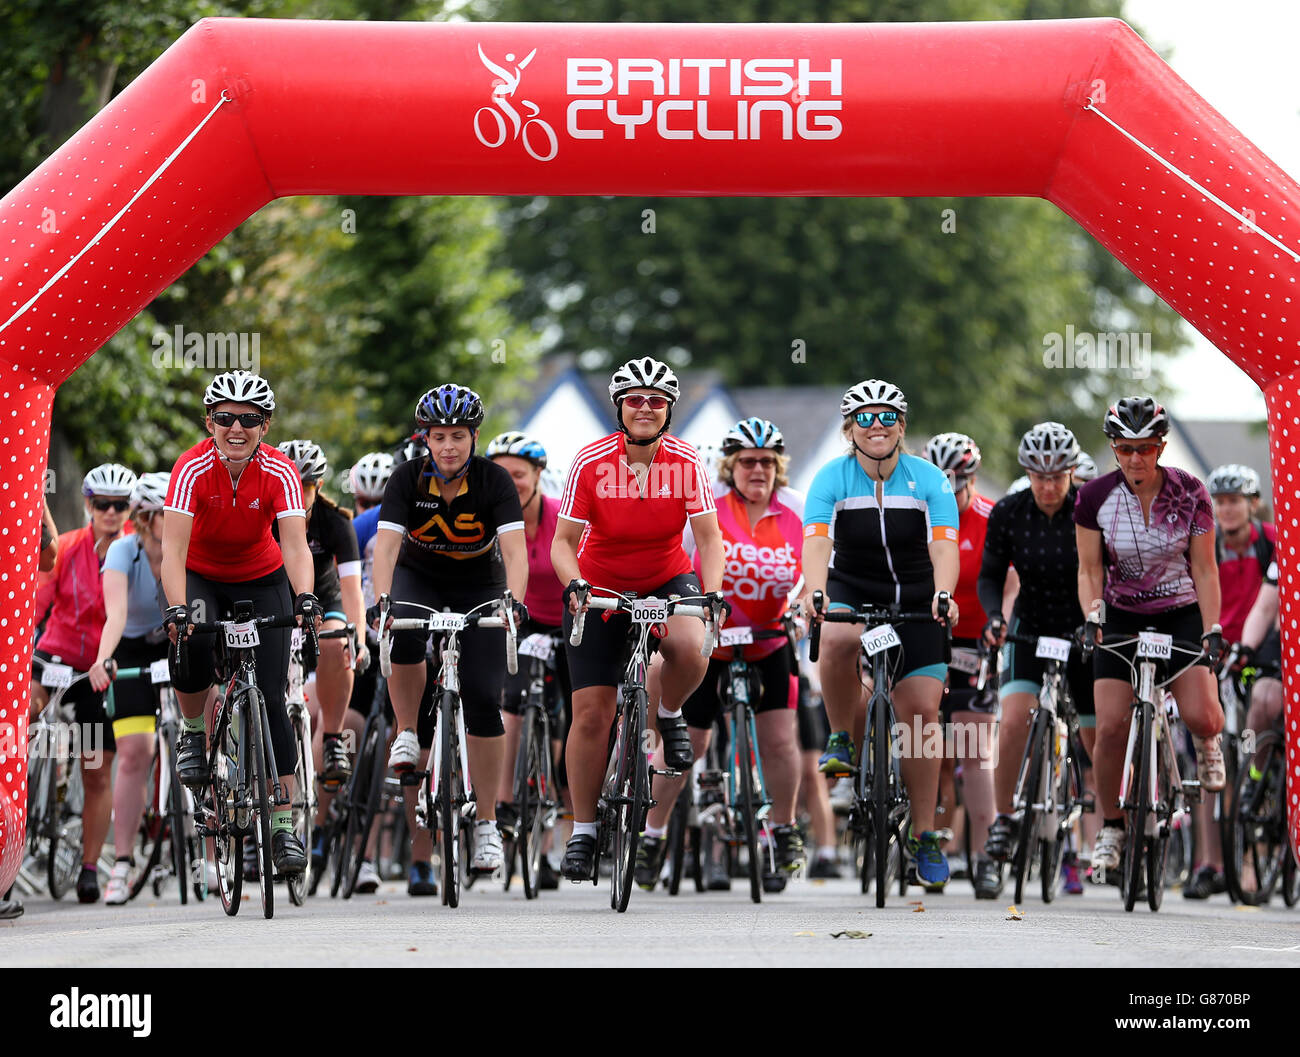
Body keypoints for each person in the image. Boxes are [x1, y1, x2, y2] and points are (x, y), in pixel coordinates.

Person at [552, 357, 724, 881]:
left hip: (666, 576)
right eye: (635, 400)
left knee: (694, 646)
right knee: (591, 716)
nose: (645, 408)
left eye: (656, 401)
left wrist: (712, 593)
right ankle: (583, 832)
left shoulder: (685, 460)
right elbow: (563, 543)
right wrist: (576, 585)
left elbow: (710, 538)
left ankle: (669, 711)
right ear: (619, 408)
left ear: (669, 410)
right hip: (600, 583)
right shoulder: (592, 462)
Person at [801, 380, 959, 888]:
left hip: (917, 595)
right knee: (840, 637)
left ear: (902, 427)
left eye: (887, 417)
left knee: (922, 715)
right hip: (852, 584)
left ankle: (925, 834)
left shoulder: (929, 479)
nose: (876, 425)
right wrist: (815, 591)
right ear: (849, 429)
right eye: (864, 417)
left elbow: (944, 546)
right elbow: (818, 543)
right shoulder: (833, 477)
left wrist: (944, 592)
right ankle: (843, 736)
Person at [635, 417, 806, 888]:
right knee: (689, 745)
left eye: (768, 463)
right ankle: (653, 836)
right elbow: (677, 561)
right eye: (748, 462)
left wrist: (803, 603)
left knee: (778, 741)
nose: (759, 470)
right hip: (713, 641)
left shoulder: (795, 509)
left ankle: (784, 830)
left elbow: (816, 567)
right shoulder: (711, 505)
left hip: (769, 638)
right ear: (731, 467)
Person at [163, 370, 320, 876]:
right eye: (225, 418)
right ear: (210, 422)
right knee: (190, 643)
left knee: (272, 699)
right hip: (203, 574)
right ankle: (192, 731)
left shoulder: (280, 472)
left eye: (249, 419)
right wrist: (178, 608)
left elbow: (295, 545)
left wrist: (306, 598)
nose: (236, 428)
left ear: (265, 426)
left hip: (261, 576)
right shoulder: (190, 468)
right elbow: (172, 551)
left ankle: (280, 827)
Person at [371, 385, 528, 875]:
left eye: (458, 436)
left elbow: (517, 551)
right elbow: (387, 549)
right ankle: (408, 730)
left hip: (481, 582)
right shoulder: (405, 479)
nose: (448, 447)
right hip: (420, 576)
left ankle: (485, 825)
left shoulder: (494, 481)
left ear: (473, 436)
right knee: (403, 630)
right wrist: (381, 602)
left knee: (484, 696)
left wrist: (513, 604)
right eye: (439, 437)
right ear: (427, 438)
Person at [1074, 396, 1225, 879]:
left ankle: (1206, 743)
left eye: (1144, 448)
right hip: (1119, 615)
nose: (1135, 459)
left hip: (1179, 612)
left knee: (1203, 714)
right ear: (1113, 449)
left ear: (1160, 447)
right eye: (1124, 449)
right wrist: (1094, 612)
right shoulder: (1093, 496)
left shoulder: (1191, 491)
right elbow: (1089, 568)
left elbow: (1204, 567)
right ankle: (1113, 827)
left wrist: (1211, 628)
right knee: (1111, 728)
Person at [978, 422, 1095, 896]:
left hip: (1080, 627)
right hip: (1029, 628)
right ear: (1027, 473)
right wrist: (992, 617)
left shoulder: (1089, 511)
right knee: (1014, 720)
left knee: (1096, 734)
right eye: (1038, 476)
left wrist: (1096, 622)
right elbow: (990, 574)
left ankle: (1113, 829)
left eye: (1057, 476)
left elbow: (1102, 572)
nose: (1047, 487)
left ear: (1071, 473)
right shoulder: (1009, 511)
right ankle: (1005, 819)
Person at [31, 462, 137, 902]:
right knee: (21, 719)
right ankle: (30, 785)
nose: (111, 513)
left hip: (96, 673)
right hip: (54, 659)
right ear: (88, 505)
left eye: (119, 506)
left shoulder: (135, 551)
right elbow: (37, 606)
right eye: (102, 505)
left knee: (96, 769)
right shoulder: (68, 547)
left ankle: (90, 868)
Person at [1182, 463, 1274, 899]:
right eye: (1219, 502)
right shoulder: (1207, 544)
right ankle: (1210, 863)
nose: (1227, 509)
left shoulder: (1272, 544)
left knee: (1257, 740)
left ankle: (1253, 858)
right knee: (1210, 756)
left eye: (1235, 500)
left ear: (1253, 504)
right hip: (1214, 654)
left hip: (1259, 654)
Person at [486, 430, 568, 890]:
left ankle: (555, 838)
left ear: (538, 476)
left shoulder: (560, 517)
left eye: (518, 474)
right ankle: (503, 805)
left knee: (571, 717)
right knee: (512, 706)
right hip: (518, 622)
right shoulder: (489, 518)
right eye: (501, 474)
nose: (510, 482)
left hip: (569, 621)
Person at [89, 473, 172, 905]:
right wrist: (104, 659)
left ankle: (214, 860)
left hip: (179, 637)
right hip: (134, 647)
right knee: (135, 751)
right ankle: (122, 862)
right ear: (143, 519)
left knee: (207, 730)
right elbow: (115, 614)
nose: (171, 521)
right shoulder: (123, 551)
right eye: (161, 515)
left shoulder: (187, 542)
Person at [924, 431, 1001, 895]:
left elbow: (1008, 580)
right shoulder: (919, 515)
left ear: (971, 480)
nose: (949, 494)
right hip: (927, 631)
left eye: (957, 484)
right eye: (941, 484)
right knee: (927, 744)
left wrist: (1000, 620)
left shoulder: (991, 518)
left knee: (973, 746)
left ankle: (984, 856)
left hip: (975, 636)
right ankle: (928, 845)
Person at [277, 440, 365, 786]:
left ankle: (331, 737)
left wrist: (356, 636)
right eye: (289, 487)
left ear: (320, 486)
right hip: (278, 601)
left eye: (306, 487)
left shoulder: (337, 523)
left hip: (326, 601)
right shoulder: (263, 518)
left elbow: (352, 586)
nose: (297, 495)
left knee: (336, 644)